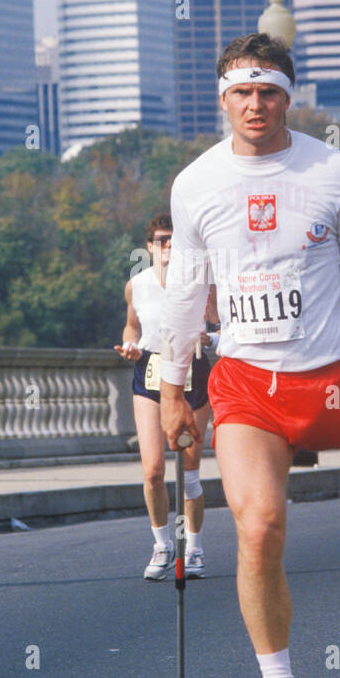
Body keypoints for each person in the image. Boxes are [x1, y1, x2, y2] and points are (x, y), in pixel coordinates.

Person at [157, 33, 340, 678]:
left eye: (269, 92)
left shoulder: (334, 171)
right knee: (262, 523)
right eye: (241, 92)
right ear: (223, 100)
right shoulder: (196, 184)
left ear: (289, 99)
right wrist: (171, 388)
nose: (255, 104)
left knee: (272, 521)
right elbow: (183, 295)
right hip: (244, 381)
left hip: (325, 375)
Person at [114, 214, 216, 579]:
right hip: (150, 372)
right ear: (149, 247)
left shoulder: (199, 282)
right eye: (161, 240)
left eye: (174, 239)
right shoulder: (136, 285)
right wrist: (129, 343)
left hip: (192, 374)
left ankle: (195, 549)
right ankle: (161, 546)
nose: (168, 245)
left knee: (188, 473)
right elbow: (133, 324)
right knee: (154, 471)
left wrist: (210, 334)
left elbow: (219, 321)